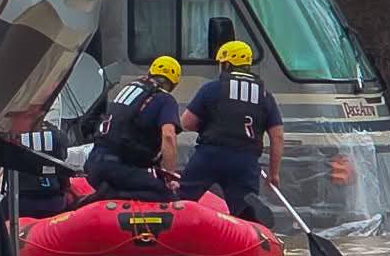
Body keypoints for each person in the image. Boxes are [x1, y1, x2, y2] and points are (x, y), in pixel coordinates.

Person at [178, 40, 282, 219]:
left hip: (209, 156)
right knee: (245, 213)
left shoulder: (212, 88)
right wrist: (273, 173)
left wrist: (206, 126)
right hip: (245, 162)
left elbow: (185, 123)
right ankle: (248, 234)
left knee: (182, 200)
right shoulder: (265, 96)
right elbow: (277, 137)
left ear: (226, 64)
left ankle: (169, 231)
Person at [83, 55, 182, 200]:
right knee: (165, 194)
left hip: (93, 165)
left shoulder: (129, 90)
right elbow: (168, 136)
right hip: (117, 168)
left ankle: (108, 196)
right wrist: (170, 176)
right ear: (173, 84)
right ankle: (110, 195)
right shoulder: (164, 99)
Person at [0, 121, 73, 218]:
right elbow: (63, 171)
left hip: (20, 202)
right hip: (54, 201)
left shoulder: (9, 135)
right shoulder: (57, 134)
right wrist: (67, 190)